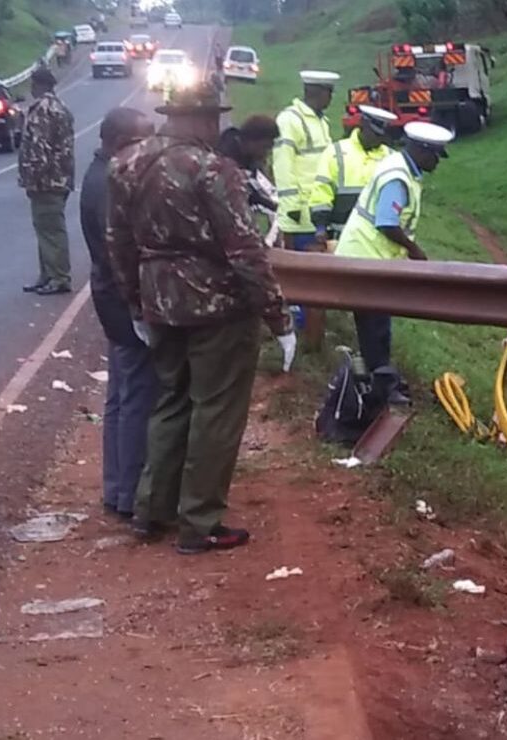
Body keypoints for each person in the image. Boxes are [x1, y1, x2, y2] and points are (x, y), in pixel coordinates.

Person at [107, 82, 297, 554]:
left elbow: (119, 242)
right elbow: (244, 250)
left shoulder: (125, 163)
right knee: (216, 410)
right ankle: (200, 522)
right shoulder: (214, 169)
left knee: (171, 401)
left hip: (159, 302)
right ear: (202, 119)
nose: (218, 126)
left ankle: (152, 510)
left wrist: (135, 300)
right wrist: (278, 317)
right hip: (218, 308)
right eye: (214, 117)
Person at [334, 121, 453, 401]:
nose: (437, 161)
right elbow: (387, 223)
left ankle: (380, 377)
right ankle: (381, 388)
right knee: (375, 326)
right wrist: (414, 249)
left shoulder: (400, 166)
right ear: (422, 150)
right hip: (366, 258)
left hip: (369, 258)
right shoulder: (397, 177)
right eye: (435, 155)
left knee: (375, 324)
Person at [82, 107, 158, 521]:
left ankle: (116, 490)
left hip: (110, 300)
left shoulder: (100, 174)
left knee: (119, 397)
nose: (146, 149)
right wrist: (142, 308)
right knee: (137, 399)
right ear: (115, 143)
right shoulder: (112, 184)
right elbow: (121, 254)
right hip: (125, 303)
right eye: (139, 141)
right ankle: (130, 494)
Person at [19, 66, 76, 296]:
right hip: (60, 178)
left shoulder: (42, 109)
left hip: (47, 181)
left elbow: (39, 149)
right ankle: (48, 274)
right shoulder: (60, 107)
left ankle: (59, 277)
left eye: (33, 84)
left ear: (39, 85)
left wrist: (33, 179)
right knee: (45, 229)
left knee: (51, 230)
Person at [273, 70, 338, 252]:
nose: (331, 98)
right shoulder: (290, 120)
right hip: (299, 216)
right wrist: (291, 207)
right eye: (328, 92)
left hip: (318, 212)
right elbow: (283, 165)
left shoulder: (322, 121)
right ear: (314, 92)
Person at [309, 105, 396, 239]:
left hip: (377, 239)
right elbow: (321, 192)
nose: (379, 140)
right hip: (341, 236)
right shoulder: (335, 152)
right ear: (363, 125)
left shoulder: (391, 158)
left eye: (382, 136)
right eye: (375, 134)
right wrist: (321, 228)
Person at [219, 116, 282, 245]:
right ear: (252, 142)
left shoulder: (248, 159)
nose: (266, 153)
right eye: (265, 148)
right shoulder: (225, 161)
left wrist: (271, 205)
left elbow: (250, 191)